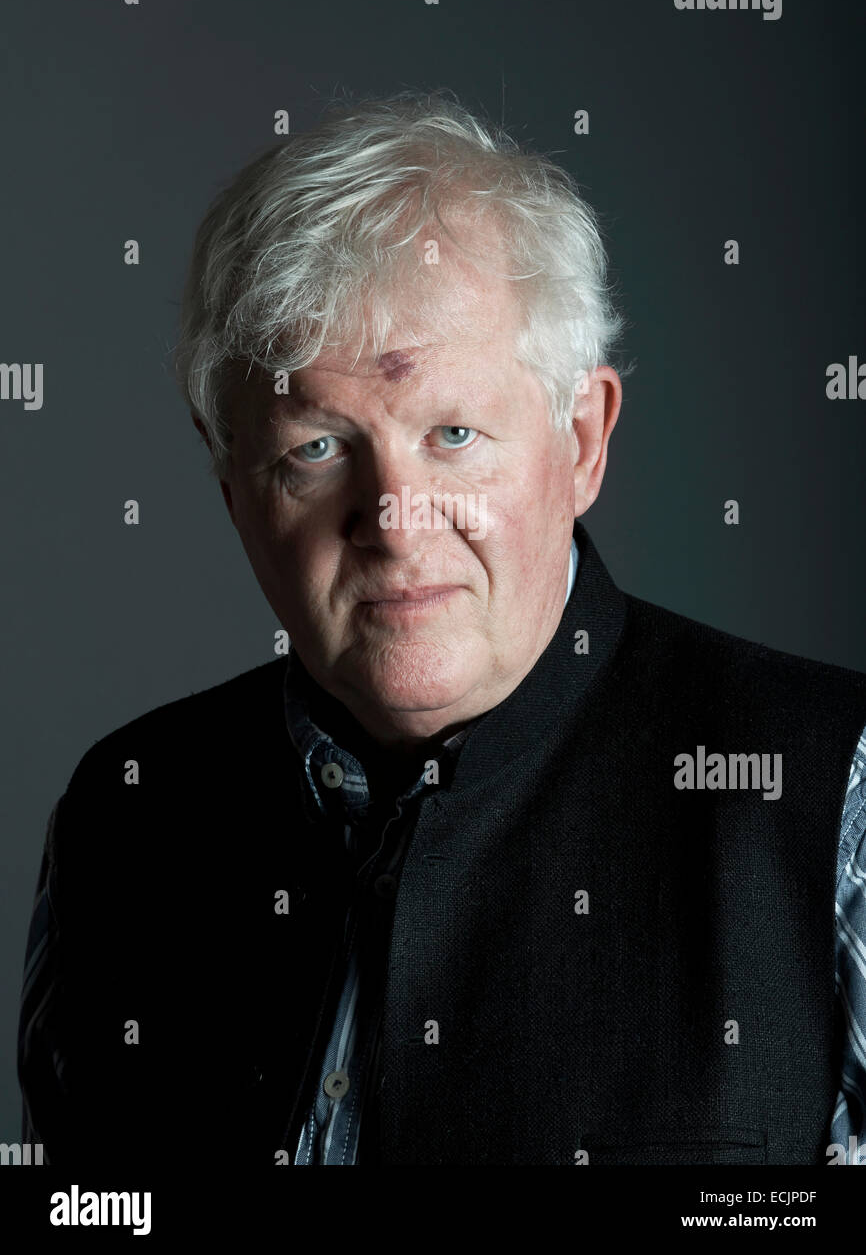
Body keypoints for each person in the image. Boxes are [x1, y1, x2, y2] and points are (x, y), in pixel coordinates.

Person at [18, 91, 866, 1166]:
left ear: (582, 439)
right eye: (315, 449)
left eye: (453, 433)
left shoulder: (831, 795)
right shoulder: (123, 818)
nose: (394, 519)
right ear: (231, 482)